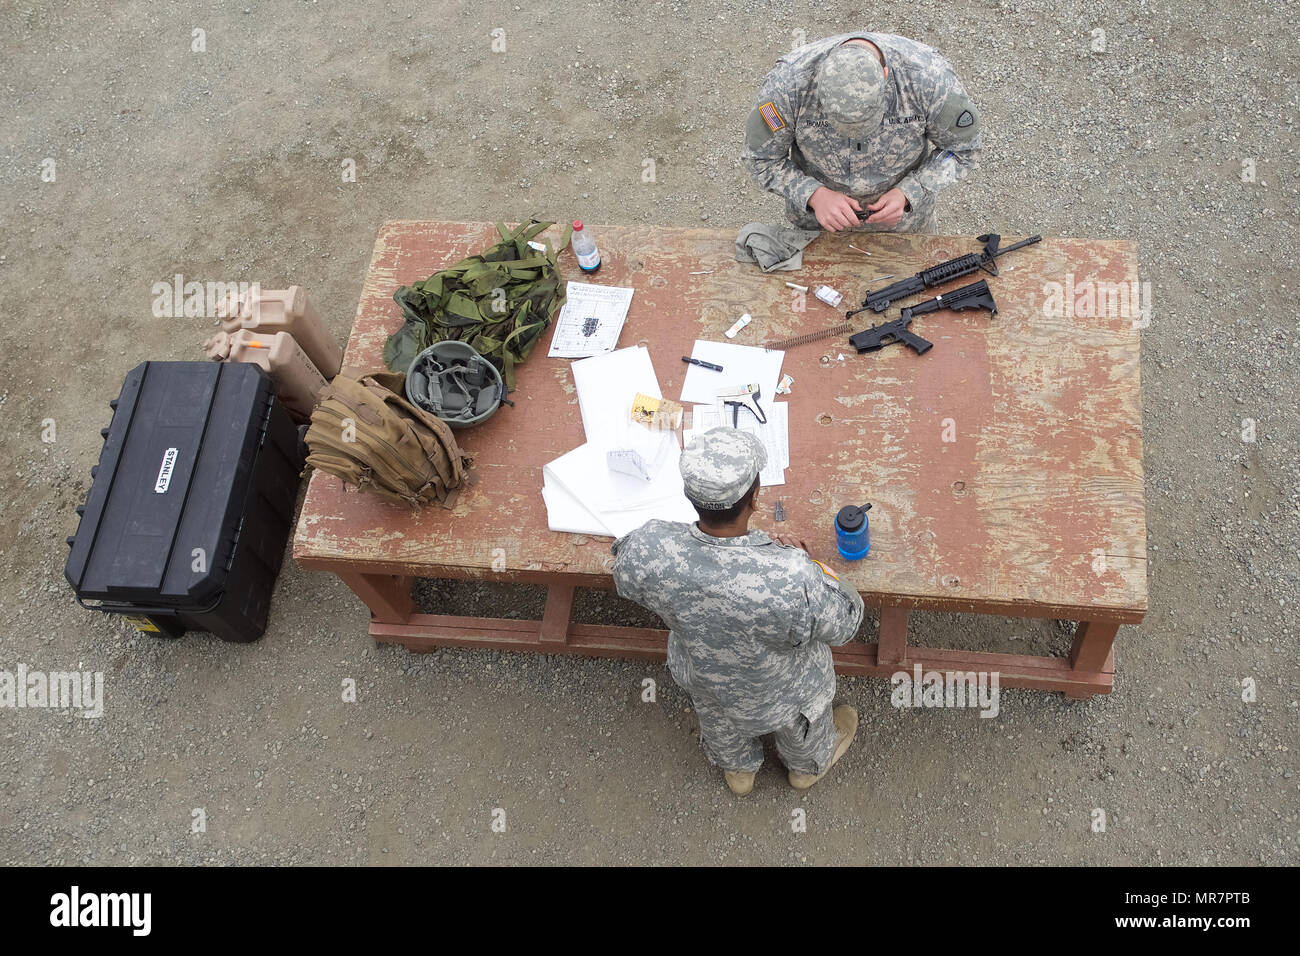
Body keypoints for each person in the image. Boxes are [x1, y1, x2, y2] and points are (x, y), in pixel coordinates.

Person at [611, 428, 864, 795]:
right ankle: (805, 768)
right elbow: (846, 622)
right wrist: (813, 566)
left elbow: (624, 570)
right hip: (783, 688)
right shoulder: (791, 576)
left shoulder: (651, 548)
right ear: (756, 498)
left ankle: (739, 773)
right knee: (800, 723)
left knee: (718, 718)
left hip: (705, 677)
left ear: (688, 495)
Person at [741, 31, 983, 234]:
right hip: (818, 230)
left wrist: (911, 192)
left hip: (905, 228)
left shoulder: (930, 80)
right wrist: (812, 194)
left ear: (886, 75)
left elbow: (961, 150)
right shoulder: (788, 86)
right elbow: (761, 159)